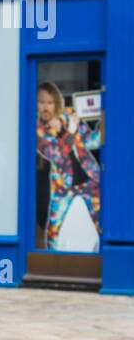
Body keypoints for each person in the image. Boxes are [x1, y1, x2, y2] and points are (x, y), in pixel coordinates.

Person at [36, 81, 101, 250]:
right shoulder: (38, 131)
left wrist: (103, 123)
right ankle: (51, 267)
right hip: (63, 186)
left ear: (56, 102)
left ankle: (106, 263)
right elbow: (58, 155)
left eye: (49, 102)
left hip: (90, 180)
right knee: (53, 231)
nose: (45, 107)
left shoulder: (70, 115)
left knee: (103, 223)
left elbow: (91, 141)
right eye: (41, 102)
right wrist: (71, 130)